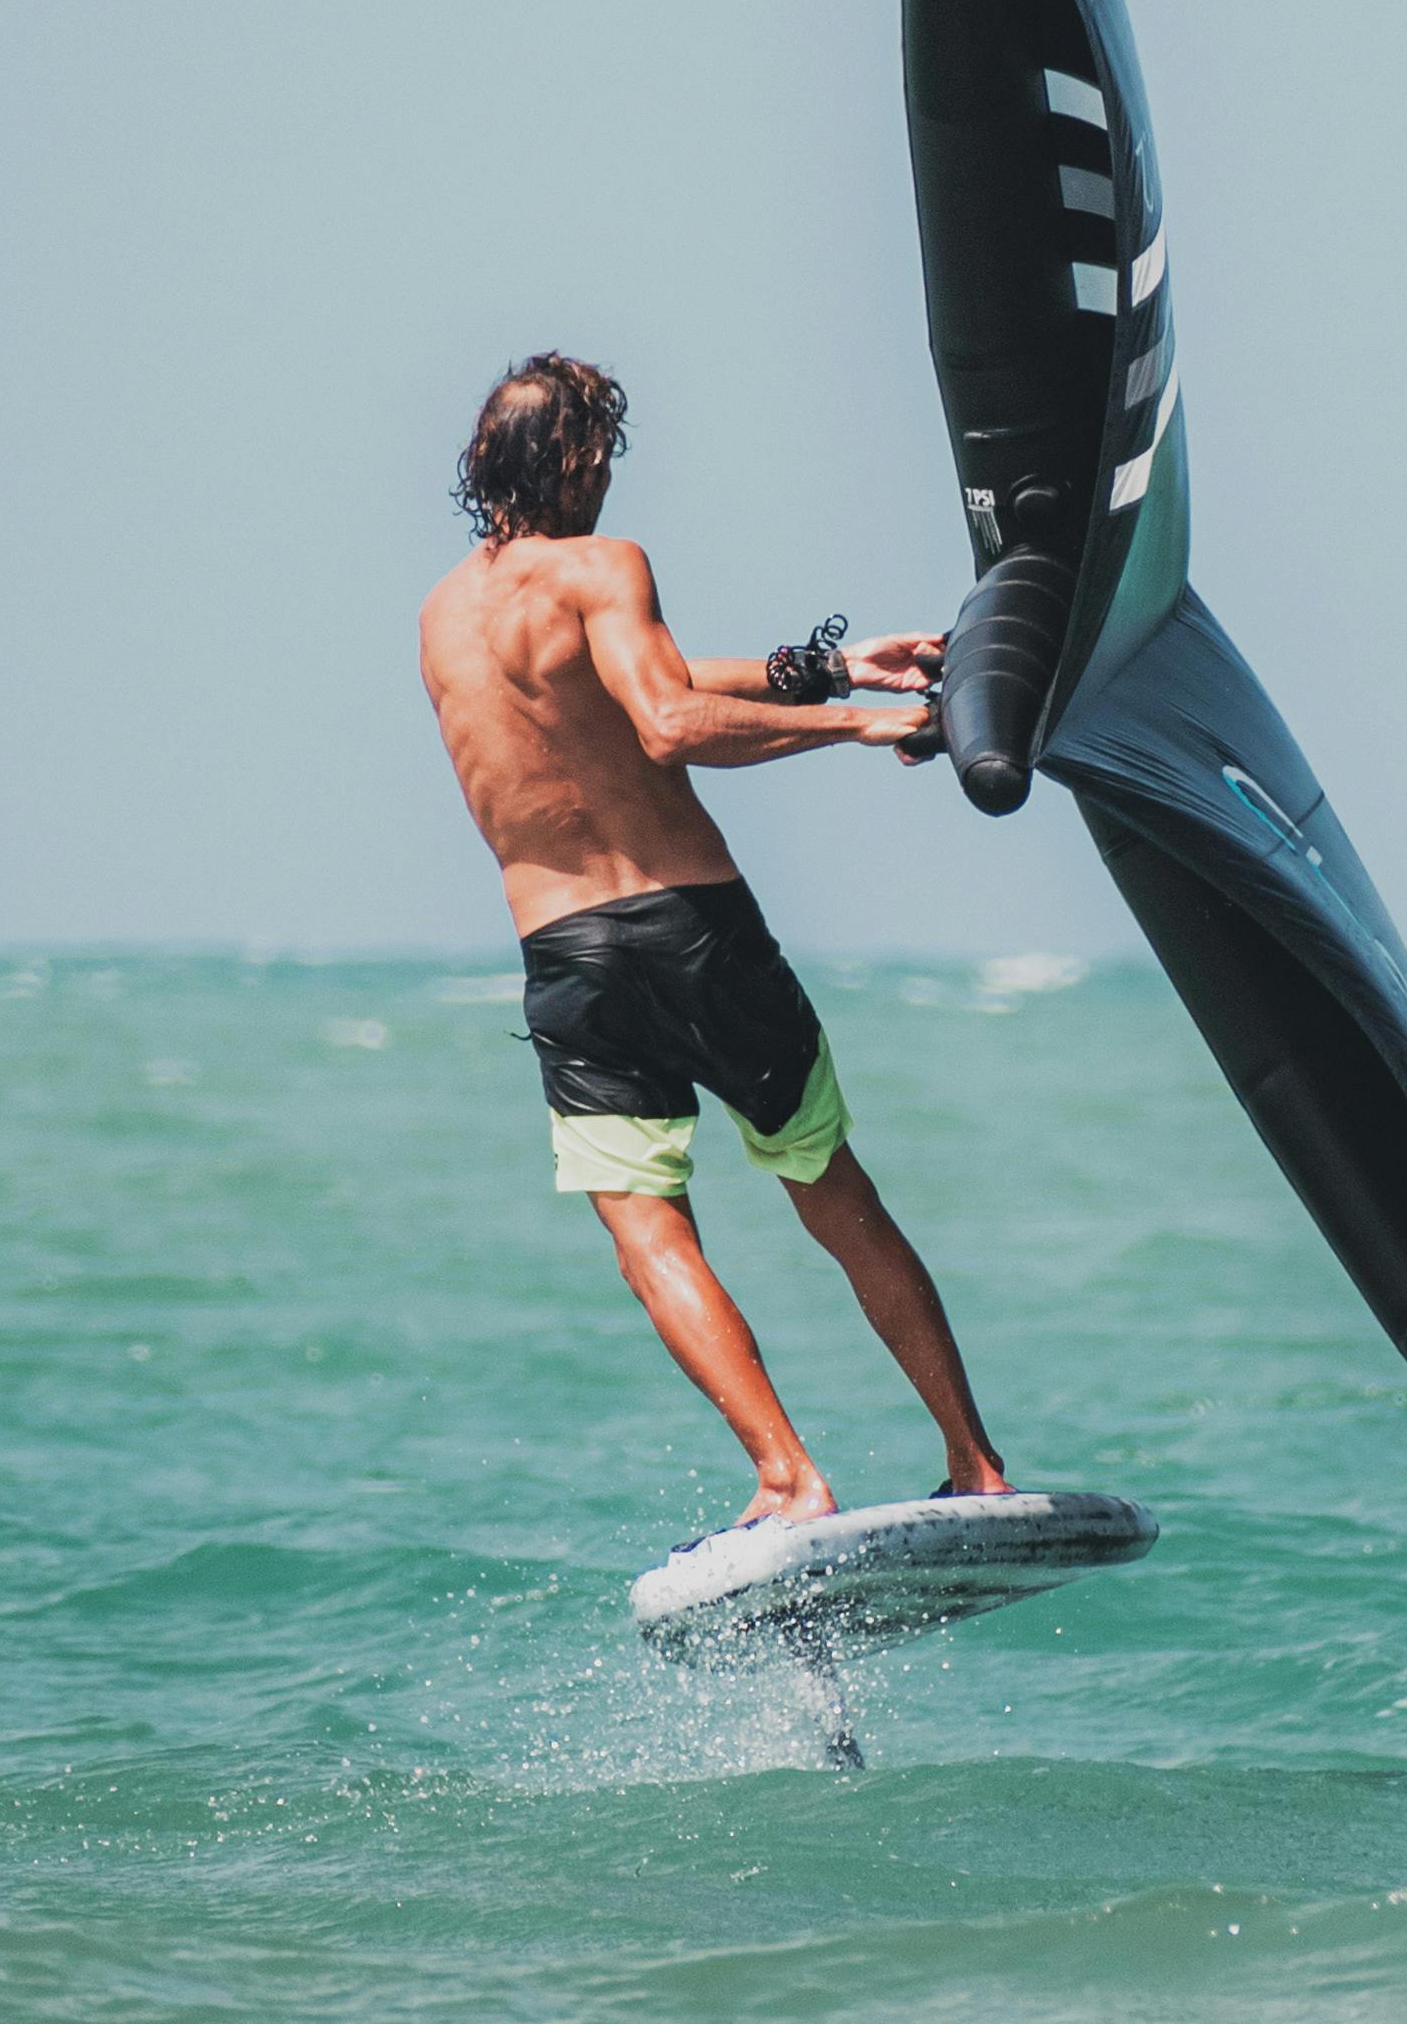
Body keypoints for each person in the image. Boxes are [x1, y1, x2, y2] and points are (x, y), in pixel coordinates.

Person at [417, 350, 1010, 1527]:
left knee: (648, 1235)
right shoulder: (603, 566)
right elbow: (670, 716)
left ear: (483, 464)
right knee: (830, 1189)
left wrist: (827, 662)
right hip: (694, 930)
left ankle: (787, 1478)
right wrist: (858, 718)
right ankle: (976, 1464)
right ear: (585, 461)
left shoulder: (442, 615)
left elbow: (638, 681)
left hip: (569, 959)